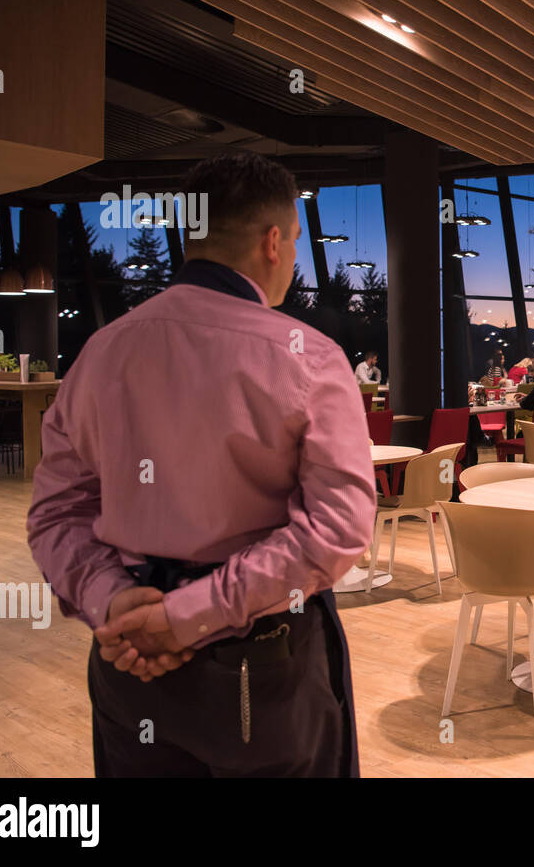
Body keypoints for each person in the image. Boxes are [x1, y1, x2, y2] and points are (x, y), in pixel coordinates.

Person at [27, 152, 374, 776]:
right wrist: (188, 617)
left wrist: (116, 604)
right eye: (295, 241)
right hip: (262, 672)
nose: (294, 260)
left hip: (126, 665)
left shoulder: (101, 354)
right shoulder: (311, 359)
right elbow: (337, 530)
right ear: (274, 243)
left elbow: (56, 513)